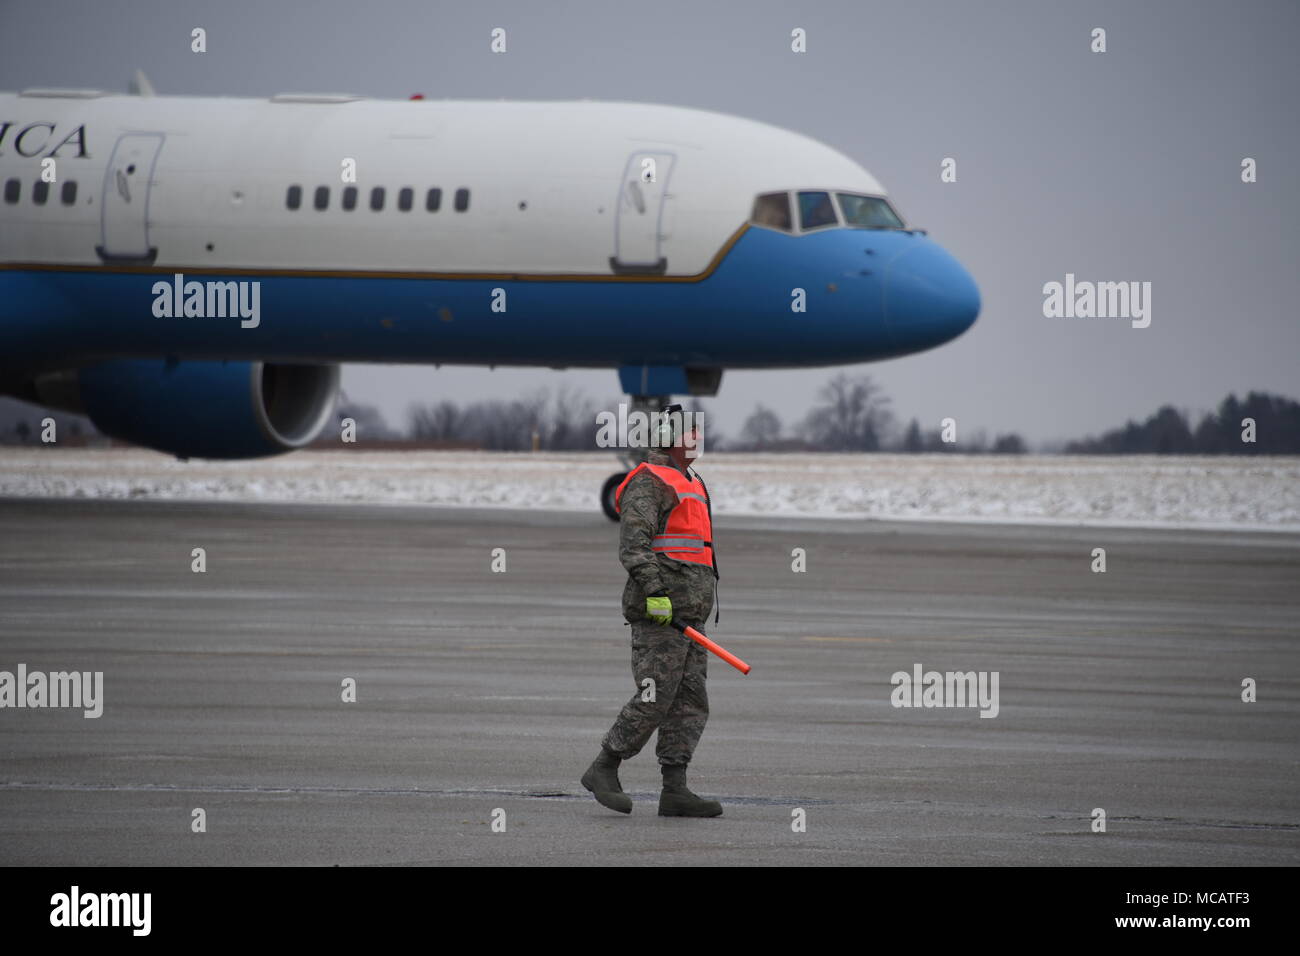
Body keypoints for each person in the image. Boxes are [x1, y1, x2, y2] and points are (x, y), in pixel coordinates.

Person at [581, 404, 723, 817]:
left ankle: (674, 789)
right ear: (670, 439)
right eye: (690, 434)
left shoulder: (691, 480)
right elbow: (634, 546)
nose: (697, 440)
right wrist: (656, 592)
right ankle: (604, 766)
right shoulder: (649, 480)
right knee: (655, 695)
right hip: (660, 614)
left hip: (690, 616)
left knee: (690, 701)